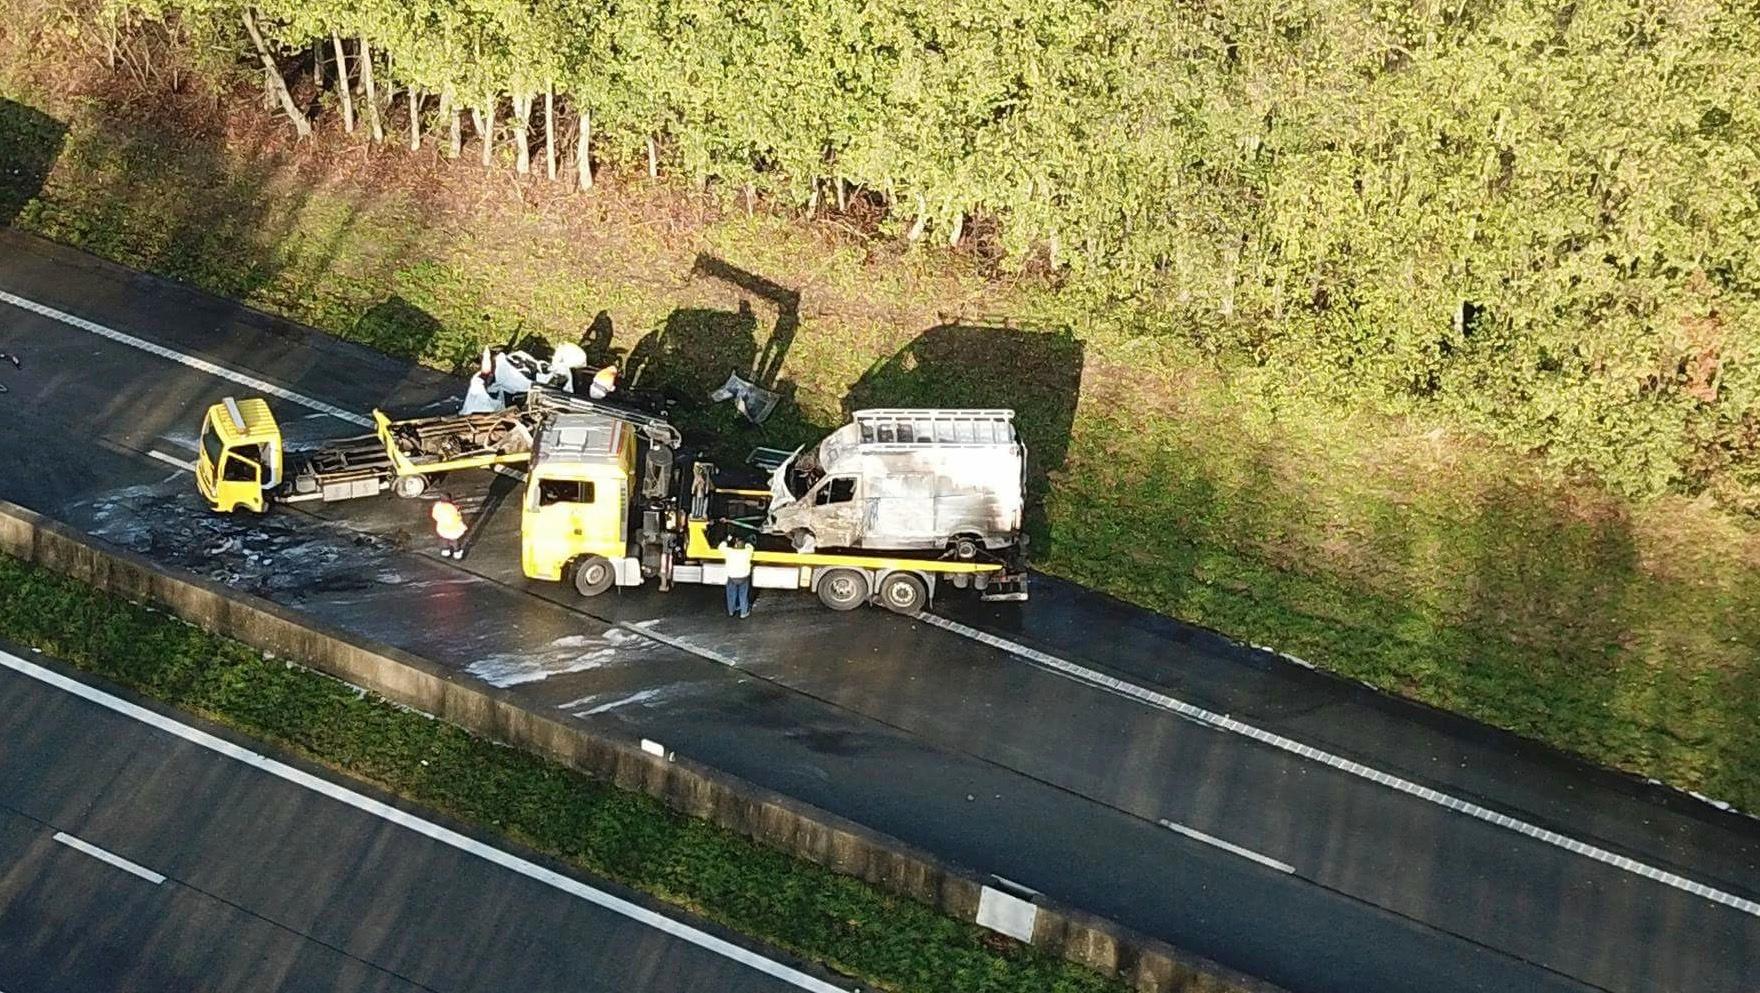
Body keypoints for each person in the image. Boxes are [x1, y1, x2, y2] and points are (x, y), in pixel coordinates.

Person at [718, 531, 754, 618]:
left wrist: (728, 539)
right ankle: (743, 612)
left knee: (731, 594)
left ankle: (731, 611)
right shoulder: (747, 552)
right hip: (744, 577)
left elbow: (720, 547)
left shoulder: (729, 552)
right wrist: (747, 542)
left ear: (734, 545)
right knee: (743, 595)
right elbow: (750, 546)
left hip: (732, 576)